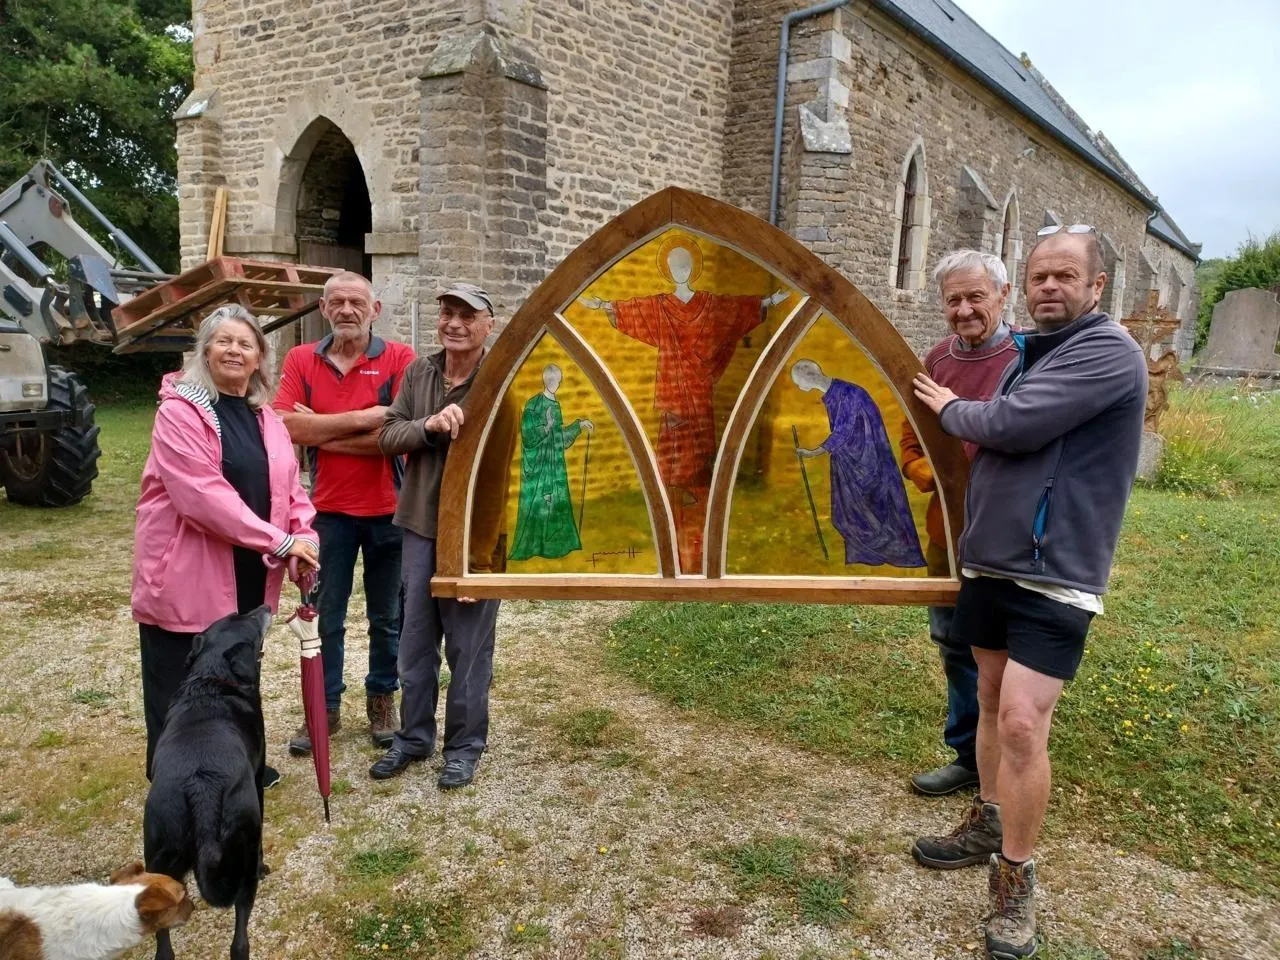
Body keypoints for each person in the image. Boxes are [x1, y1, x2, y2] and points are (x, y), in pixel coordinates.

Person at [911, 226, 1147, 959]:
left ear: (1096, 286)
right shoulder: (1034, 354)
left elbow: (1013, 426)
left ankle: (1014, 884)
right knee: (986, 695)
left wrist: (951, 408)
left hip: (1058, 572)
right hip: (991, 561)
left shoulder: (1105, 351)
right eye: (1041, 275)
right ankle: (986, 820)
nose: (1050, 287)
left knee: (1020, 722)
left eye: (1063, 276)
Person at [132, 305, 319, 785]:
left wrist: (304, 539)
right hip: (187, 574)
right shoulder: (181, 412)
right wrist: (280, 542)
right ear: (205, 351)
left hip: (251, 570)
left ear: (260, 357)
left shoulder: (266, 419)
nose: (234, 350)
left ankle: (241, 769)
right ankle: (178, 785)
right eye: (223, 341)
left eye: (246, 343)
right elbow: (202, 497)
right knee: (181, 686)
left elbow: (291, 489)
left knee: (238, 676)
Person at [370, 283, 517, 789]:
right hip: (419, 525)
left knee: (469, 646)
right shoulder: (420, 372)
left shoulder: (502, 379)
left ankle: (464, 747)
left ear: (488, 324)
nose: (454, 323)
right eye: (447, 313)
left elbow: (511, 471)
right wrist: (428, 426)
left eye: (467, 315)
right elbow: (388, 435)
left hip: (478, 532)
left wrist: (484, 556)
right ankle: (413, 739)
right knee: (414, 641)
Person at [579, 237, 786, 571]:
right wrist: (604, 304)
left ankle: (699, 519)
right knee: (673, 459)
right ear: (668, 269)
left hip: (699, 390)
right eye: (674, 264)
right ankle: (670, 514)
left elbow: (735, 309)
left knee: (701, 454)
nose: (679, 269)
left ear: (692, 268)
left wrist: (769, 301)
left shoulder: (709, 304)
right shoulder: (661, 306)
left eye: (684, 264)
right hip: (673, 391)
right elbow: (636, 310)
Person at [273, 272, 416, 754]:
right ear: (323, 308)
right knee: (323, 613)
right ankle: (325, 708)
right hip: (325, 513)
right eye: (338, 302)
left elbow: (400, 433)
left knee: (387, 616)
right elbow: (283, 426)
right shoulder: (300, 359)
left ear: (375, 310)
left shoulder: (400, 358)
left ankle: (382, 702)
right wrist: (367, 418)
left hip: (390, 510)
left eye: (357, 302)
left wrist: (319, 427)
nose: (347, 310)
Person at [900, 250, 1020, 797]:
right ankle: (968, 755)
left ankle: (1008, 758)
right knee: (951, 641)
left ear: (1004, 294)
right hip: (945, 528)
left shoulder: (1028, 358)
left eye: (977, 297)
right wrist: (932, 474)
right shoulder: (936, 360)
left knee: (1000, 652)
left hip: (1007, 533)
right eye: (955, 300)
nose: (966, 310)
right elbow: (910, 437)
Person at [791, 359, 924, 568]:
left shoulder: (848, 393)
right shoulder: (833, 394)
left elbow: (843, 430)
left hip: (868, 462)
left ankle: (893, 550)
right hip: (847, 462)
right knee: (847, 513)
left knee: (872, 508)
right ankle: (865, 555)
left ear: (809, 377)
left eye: (798, 381)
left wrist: (813, 452)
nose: (799, 387)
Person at [509, 363, 594, 561]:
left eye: (557, 380)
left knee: (555, 505)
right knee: (541, 504)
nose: (554, 383)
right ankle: (534, 546)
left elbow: (559, 439)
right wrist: (545, 428)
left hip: (555, 467)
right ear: (546, 380)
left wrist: (578, 425)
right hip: (539, 469)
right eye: (552, 380)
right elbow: (528, 436)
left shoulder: (555, 406)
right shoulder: (533, 405)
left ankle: (554, 547)